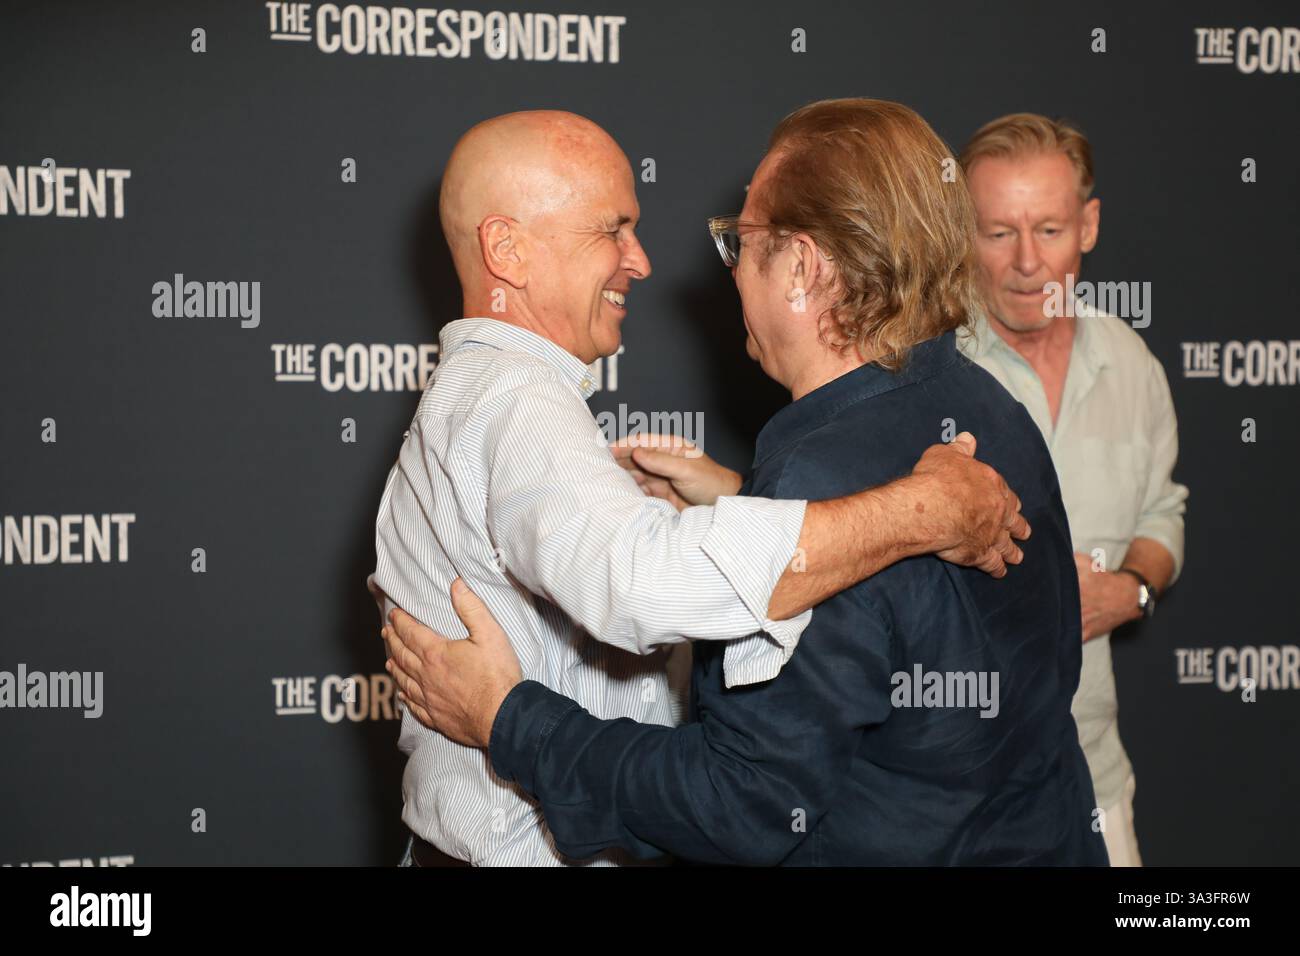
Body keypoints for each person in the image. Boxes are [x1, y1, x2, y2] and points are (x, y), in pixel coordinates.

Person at [382, 99, 1105, 865]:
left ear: (800, 265)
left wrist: (506, 718)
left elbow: (741, 805)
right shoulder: (986, 405)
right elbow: (644, 580)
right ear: (509, 251)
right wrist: (906, 508)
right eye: (612, 229)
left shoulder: (814, 471)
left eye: (740, 242)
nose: (647, 260)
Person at [957, 113, 1188, 866]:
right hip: (951, 794)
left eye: (1049, 229)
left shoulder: (1132, 364)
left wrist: (1135, 590)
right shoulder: (921, 373)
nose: (1027, 261)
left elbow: (1162, 513)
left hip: (1095, 776)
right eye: (998, 232)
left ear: (1087, 225)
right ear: (964, 232)